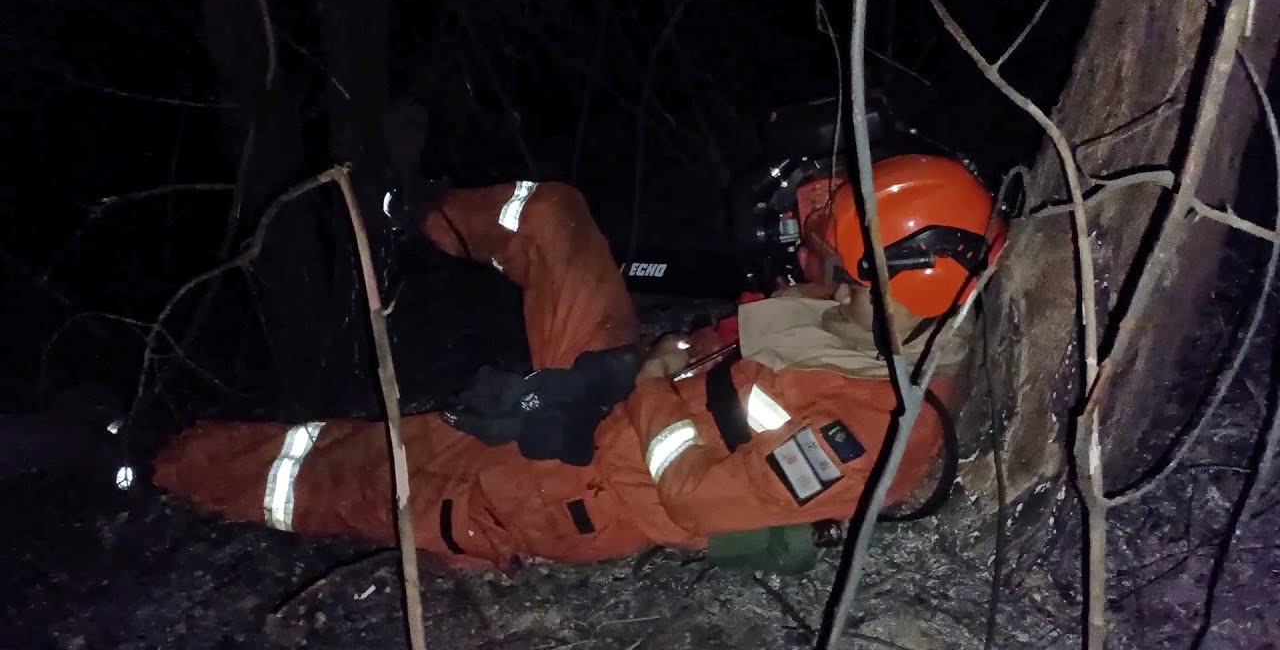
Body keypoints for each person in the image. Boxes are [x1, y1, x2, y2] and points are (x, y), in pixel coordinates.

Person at [149, 153, 1005, 571]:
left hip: (578, 491)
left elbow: (696, 497)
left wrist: (639, 394)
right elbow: (760, 345)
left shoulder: (876, 427)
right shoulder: (873, 321)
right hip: (619, 390)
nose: (820, 271)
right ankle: (404, 215)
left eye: (841, 267)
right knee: (552, 216)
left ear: (902, 285)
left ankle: (161, 460)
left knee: (348, 473)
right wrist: (659, 361)